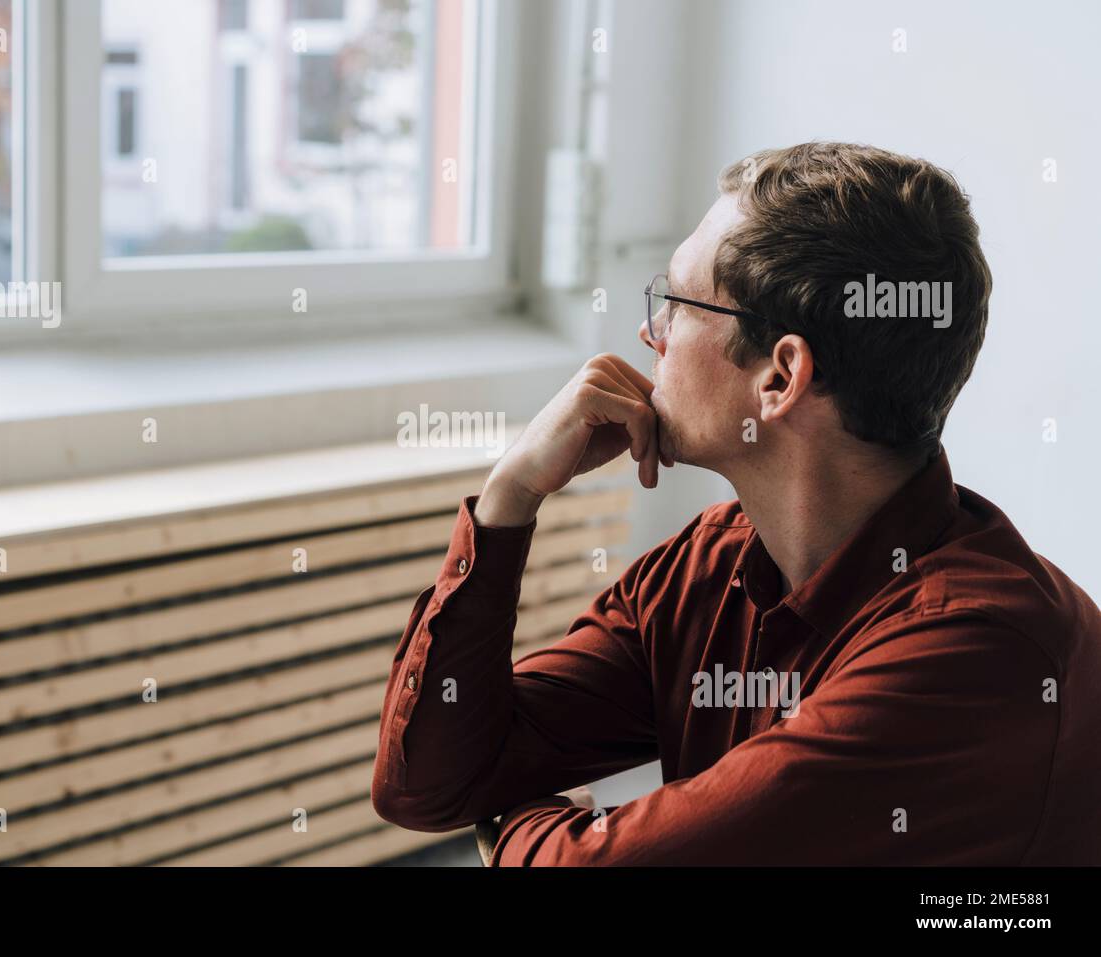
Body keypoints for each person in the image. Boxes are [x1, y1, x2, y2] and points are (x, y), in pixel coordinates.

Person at [371, 142, 1101, 865]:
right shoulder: (713, 564)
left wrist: (519, 830)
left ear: (780, 378)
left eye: (677, 303)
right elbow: (426, 784)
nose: (648, 335)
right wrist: (509, 497)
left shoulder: (975, 652)